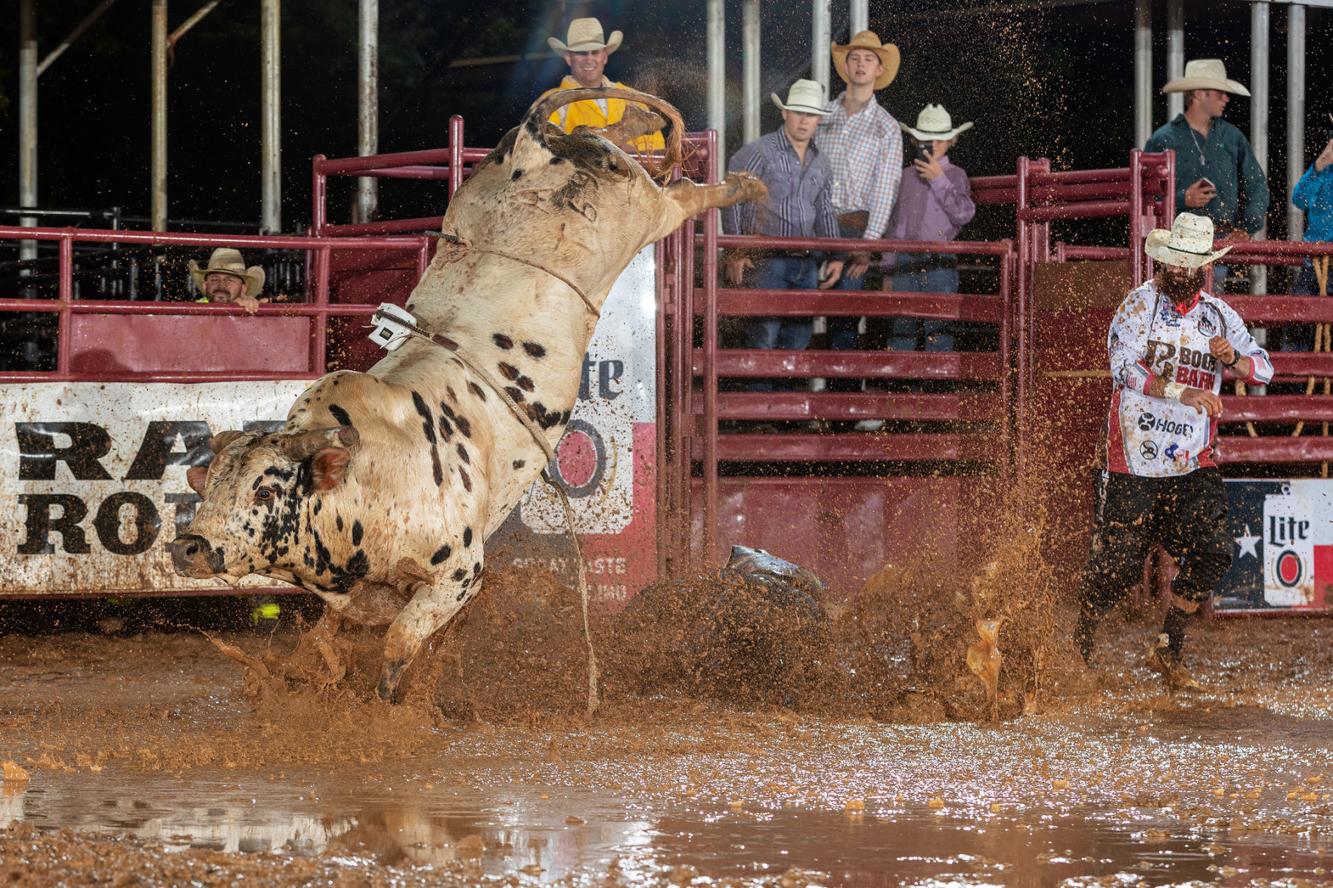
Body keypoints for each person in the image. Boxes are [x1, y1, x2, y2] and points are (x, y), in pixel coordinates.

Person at [1074, 212, 1273, 690]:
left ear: (1203, 265)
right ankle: (1081, 633)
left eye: (1191, 263)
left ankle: (1170, 646)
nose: (1182, 270)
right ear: (1164, 262)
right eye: (1176, 262)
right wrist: (1180, 393)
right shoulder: (1139, 305)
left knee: (1214, 551)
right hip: (1134, 457)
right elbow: (1124, 368)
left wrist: (1234, 360)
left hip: (1190, 460)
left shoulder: (1220, 315)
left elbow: (1263, 369)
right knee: (1119, 566)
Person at [722, 79, 845, 392]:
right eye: (798, 112)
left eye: (811, 114)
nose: (804, 120)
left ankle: (783, 416)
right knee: (764, 333)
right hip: (767, 259)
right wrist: (736, 250)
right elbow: (733, 193)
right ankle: (759, 415)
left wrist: (836, 254)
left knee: (797, 338)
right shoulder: (759, 152)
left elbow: (825, 210)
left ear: (818, 120)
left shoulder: (822, 162)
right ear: (785, 114)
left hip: (806, 260)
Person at [1145, 59, 1269, 292]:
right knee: (1185, 301)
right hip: (1176, 241)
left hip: (1219, 238)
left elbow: (1257, 185)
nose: (1226, 98)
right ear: (1200, 94)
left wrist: (1246, 227)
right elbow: (1147, 196)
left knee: (1210, 301)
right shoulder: (1164, 139)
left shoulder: (1232, 137)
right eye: (1220, 93)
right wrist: (1183, 199)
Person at [816, 30, 903, 361]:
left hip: (855, 226)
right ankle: (789, 406)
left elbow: (885, 188)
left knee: (845, 316)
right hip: (817, 225)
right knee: (793, 303)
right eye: (855, 57)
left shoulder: (887, 127)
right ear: (846, 66)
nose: (861, 64)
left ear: (879, 70)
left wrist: (868, 243)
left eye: (869, 59)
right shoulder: (822, 116)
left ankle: (844, 408)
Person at [883, 104, 976, 352]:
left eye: (939, 139)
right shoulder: (904, 176)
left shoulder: (956, 175)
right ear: (916, 141)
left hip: (940, 261)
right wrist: (889, 268)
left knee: (940, 330)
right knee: (902, 328)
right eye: (926, 139)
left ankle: (937, 389)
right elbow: (896, 224)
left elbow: (964, 214)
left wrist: (938, 179)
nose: (933, 145)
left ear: (951, 141)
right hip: (905, 261)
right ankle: (901, 388)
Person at [540, 17, 664, 153]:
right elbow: (540, 152)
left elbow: (658, 150)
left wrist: (627, 153)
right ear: (569, 58)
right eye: (581, 53)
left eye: (595, 52)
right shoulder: (552, 102)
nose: (589, 59)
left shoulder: (630, 98)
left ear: (604, 56)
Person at [1286, 124, 1333, 351]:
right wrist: (1320, 164)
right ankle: (1293, 383)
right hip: (1314, 262)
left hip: (1320, 259)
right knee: (1299, 323)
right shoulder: (1323, 171)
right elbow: (1300, 199)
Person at [187, 248, 267, 314]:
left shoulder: (250, 312)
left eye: (230, 280)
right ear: (205, 286)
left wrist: (252, 309)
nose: (221, 285)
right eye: (214, 279)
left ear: (243, 289)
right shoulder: (194, 311)